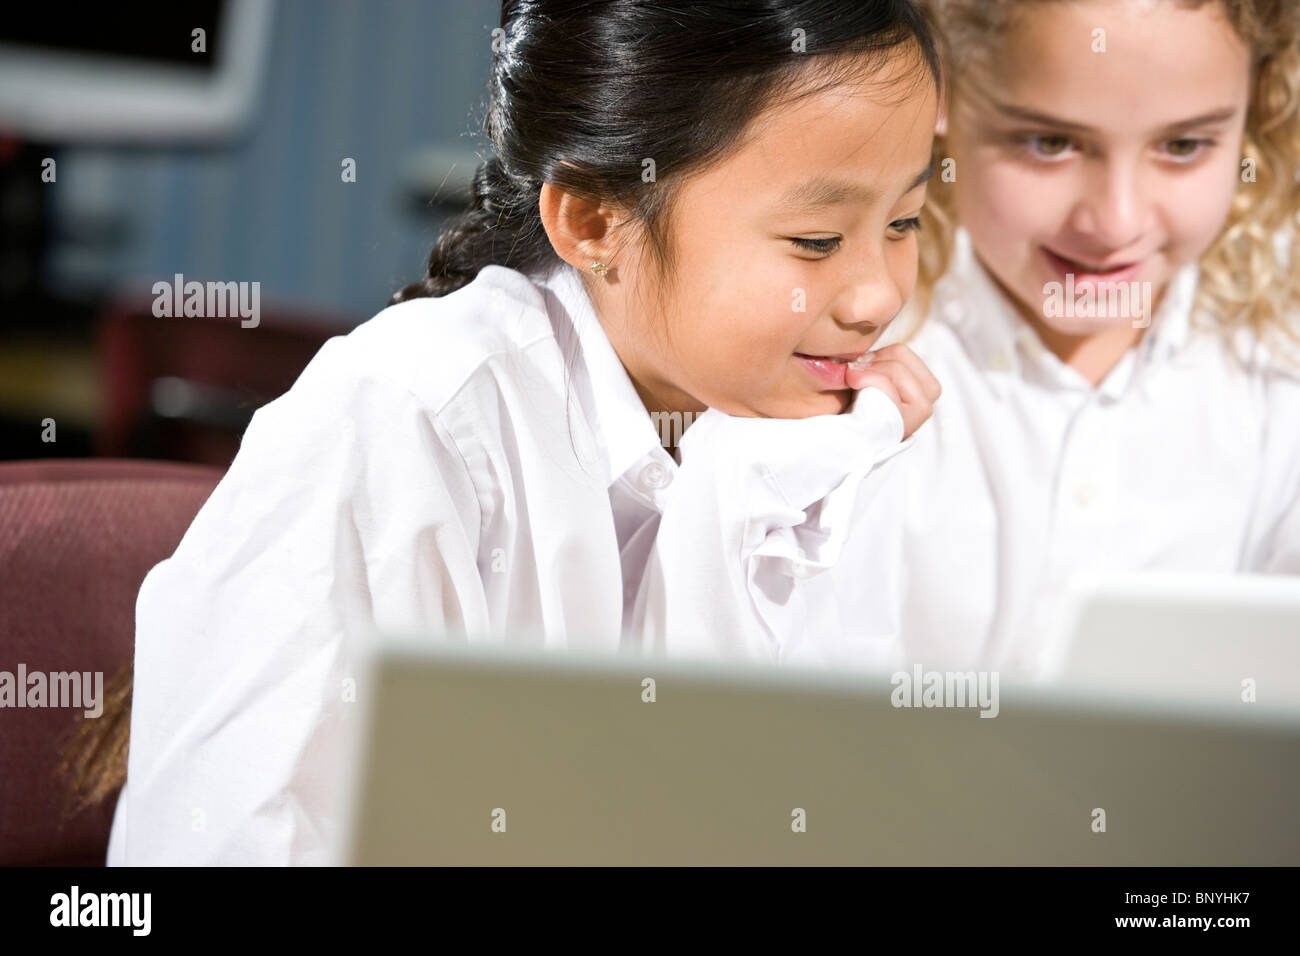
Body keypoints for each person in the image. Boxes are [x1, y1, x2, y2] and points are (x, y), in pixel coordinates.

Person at [103, 0, 943, 865]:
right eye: (815, 240)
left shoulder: (824, 439)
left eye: (904, 222)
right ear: (593, 223)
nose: (878, 296)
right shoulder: (406, 422)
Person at [862, 0, 1300, 678]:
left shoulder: (1280, 363)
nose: (1116, 222)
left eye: (1183, 146)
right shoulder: (844, 345)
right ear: (943, 88)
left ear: (1258, 103)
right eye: (1050, 143)